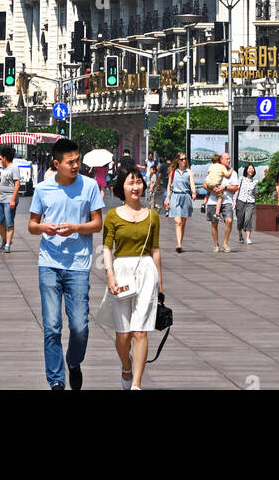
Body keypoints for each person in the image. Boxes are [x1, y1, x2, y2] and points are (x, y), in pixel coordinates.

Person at [28, 137, 104, 391]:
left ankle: (73, 362)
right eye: (70, 162)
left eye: (77, 160)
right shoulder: (42, 189)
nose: (75, 165)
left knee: (80, 327)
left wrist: (76, 227)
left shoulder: (90, 186)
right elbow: (31, 226)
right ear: (56, 163)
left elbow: (97, 224)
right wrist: (43, 228)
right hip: (49, 262)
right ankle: (57, 381)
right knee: (51, 326)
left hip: (79, 265)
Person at [102, 165, 163, 391]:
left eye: (139, 182)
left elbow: (155, 250)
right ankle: (126, 366)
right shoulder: (112, 216)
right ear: (122, 188)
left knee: (140, 330)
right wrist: (110, 275)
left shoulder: (152, 216)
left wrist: (160, 283)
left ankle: (136, 383)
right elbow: (107, 248)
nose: (135, 187)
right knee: (123, 334)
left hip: (146, 271)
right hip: (121, 272)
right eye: (131, 183)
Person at [164, 153, 196, 252]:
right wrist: (167, 198)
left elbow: (192, 183)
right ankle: (178, 244)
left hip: (186, 196)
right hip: (175, 197)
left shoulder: (189, 172)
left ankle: (180, 242)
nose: (184, 161)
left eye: (185, 159)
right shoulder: (173, 172)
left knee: (183, 222)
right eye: (182, 159)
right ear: (178, 161)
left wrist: (194, 192)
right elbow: (169, 186)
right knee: (177, 221)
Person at [209, 152, 238, 252]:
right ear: (221, 160)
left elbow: (235, 187)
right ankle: (216, 244)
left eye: (229, 159)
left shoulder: (232, 172)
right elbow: (205, 184)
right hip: (213, 200)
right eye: (227, 159)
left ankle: (225, 243)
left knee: (229, 220)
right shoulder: (213, 169)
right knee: (214, 223)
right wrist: (213, 189)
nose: (229, 161)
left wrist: (224, 187)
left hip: (227, 201)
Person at [0, 148, 20, 252]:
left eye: (1, 156)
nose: (0, 158)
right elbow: (2, 182)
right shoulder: (4, 168)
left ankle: (7, 245)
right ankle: (6, 239)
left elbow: (17, 184)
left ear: (5, 157)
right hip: (1, 198)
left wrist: (13, 200)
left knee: (9, 222)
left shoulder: (14, 168)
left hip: (10, 198)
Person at [235, 163, 258, 244]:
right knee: (240, 220)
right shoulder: (241, 179)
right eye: (250, 168)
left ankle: (248, 238)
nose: (251, 170)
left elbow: (255, 193)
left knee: (248, 219)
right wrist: (235, 201)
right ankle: (240, 234)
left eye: (252, 168)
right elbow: (237, 190)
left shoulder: (255, 181)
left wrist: (255, 202)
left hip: (250, 202)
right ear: (246, 170)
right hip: (241, 201)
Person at [203, 153, 228, 220]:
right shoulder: (221, 167)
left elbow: (208, 173)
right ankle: (217, 213)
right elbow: (227, 175)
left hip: (209, 183)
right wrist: (230, 170)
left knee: (208, 193)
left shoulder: (211, 166)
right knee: (220, 197)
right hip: (215, 184)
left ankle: (203, 204)